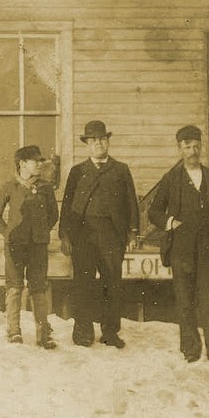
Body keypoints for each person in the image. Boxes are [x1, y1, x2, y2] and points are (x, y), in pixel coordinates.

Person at [148, 125, 209, 365]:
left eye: (196, 146)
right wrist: (169, 222)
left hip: (208, 250)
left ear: (201, 147)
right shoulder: (171, 179)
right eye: (188, 147)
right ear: (180, 149)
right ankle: (191, 350)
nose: (193, 151)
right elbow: (154, 211)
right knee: (185, 301)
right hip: (180, 250)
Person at [59, 120, 139, 348]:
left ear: (108, 141)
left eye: (102, 139)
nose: (98, 144)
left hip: (112, 235)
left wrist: (133, 233)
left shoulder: (121, 170)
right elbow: (67, 205)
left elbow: (131, 203)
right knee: (83, 283)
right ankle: (83, 331)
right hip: (83, 234)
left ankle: (110, 332)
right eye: (93, 140)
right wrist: (64, 235)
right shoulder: (78, 172)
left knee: (112, 283)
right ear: (87, 144)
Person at [0, 146, 59, 349]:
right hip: (15, 247)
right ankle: (14, 331)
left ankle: (43, 334)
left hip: (38, 246)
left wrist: (41, 232)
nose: (39, 165)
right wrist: (8, 234)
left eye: (40, 161)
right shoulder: (10, 186)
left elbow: (54, 215)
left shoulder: (45, 188)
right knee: (14, 286)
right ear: (22, 164)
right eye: (35, 161)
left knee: (38, 287)